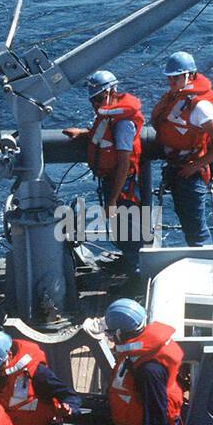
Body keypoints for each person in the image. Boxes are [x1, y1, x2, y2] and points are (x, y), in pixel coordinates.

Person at [63, 70, 145, 281]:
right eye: (93, 100)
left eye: (99, 98)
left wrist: (112, 200)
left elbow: (124, 165)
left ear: (112, 92)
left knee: (129, 236)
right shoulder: (108, 117)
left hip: (124, 188)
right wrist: (83, 134)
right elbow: (101, 137)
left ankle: (134, 283)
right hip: (110, 182)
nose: (96, 104)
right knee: (120, 231)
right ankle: (127, 264)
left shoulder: (123, 123)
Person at [150, 51, 213, 247]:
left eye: (176, 77)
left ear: (189, 75)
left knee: (197, 231)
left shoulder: (201, 106)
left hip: (190, 174)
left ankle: (206, 266)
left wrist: (195, 167)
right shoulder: (175, 98)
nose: (171, 82)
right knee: (188, 225)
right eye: (169, 77)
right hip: (176, 169)